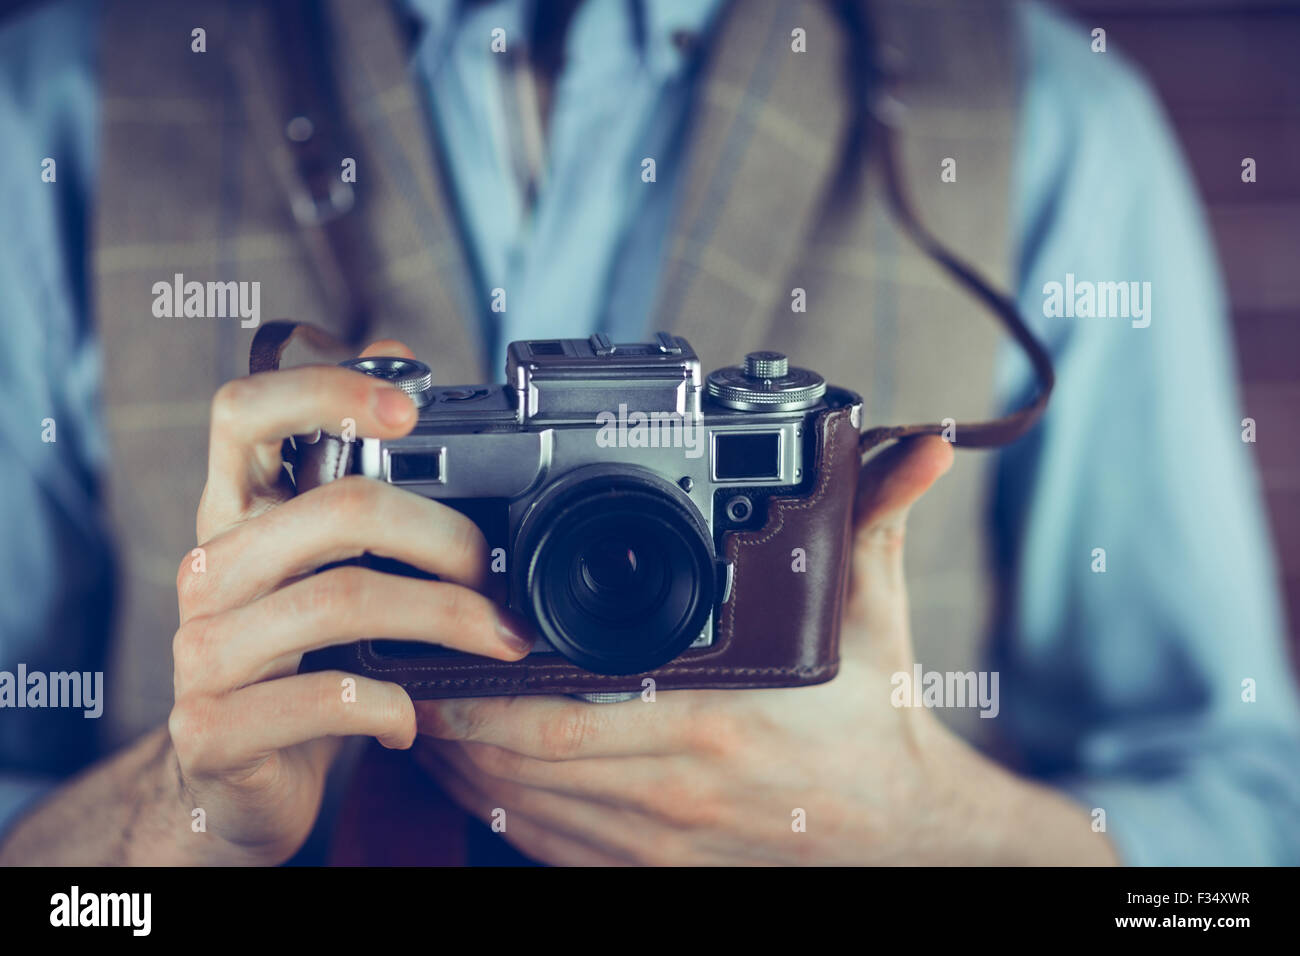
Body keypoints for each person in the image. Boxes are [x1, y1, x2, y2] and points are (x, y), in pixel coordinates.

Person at [1, 0, 1297, 866]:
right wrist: (170, 824)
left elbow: (1250, 828)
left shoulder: (1052, 123)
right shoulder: (50, 107)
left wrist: (933, 833)